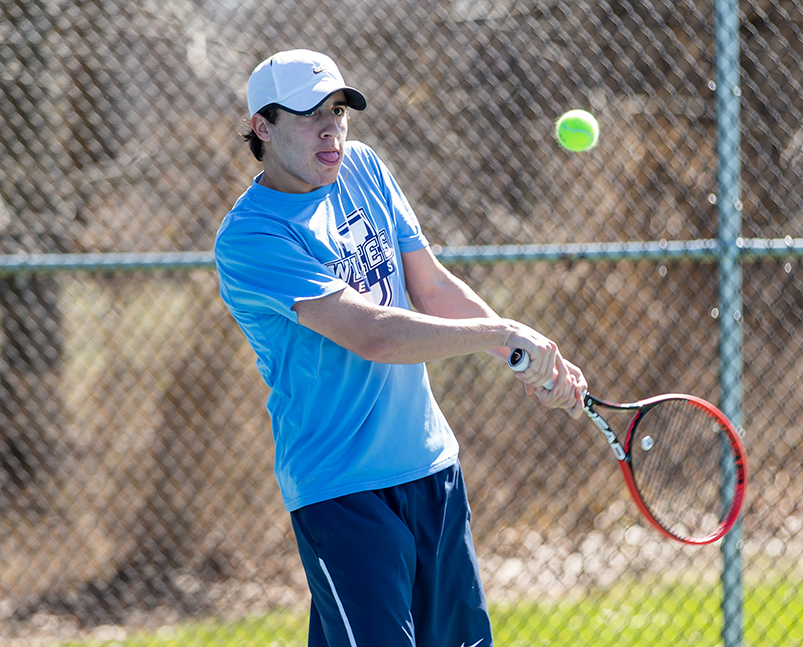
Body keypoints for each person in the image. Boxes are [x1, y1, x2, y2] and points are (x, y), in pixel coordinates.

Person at [214, 49, 587, 647]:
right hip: (342, 492)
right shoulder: (251, 237)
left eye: (339, 110)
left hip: (433, 468)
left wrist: (525, 358)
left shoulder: (363, 167)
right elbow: (375, 335)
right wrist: (500, 333)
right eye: (311, 115)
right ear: (263, 126)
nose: (331, 127)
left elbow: (432, 286)